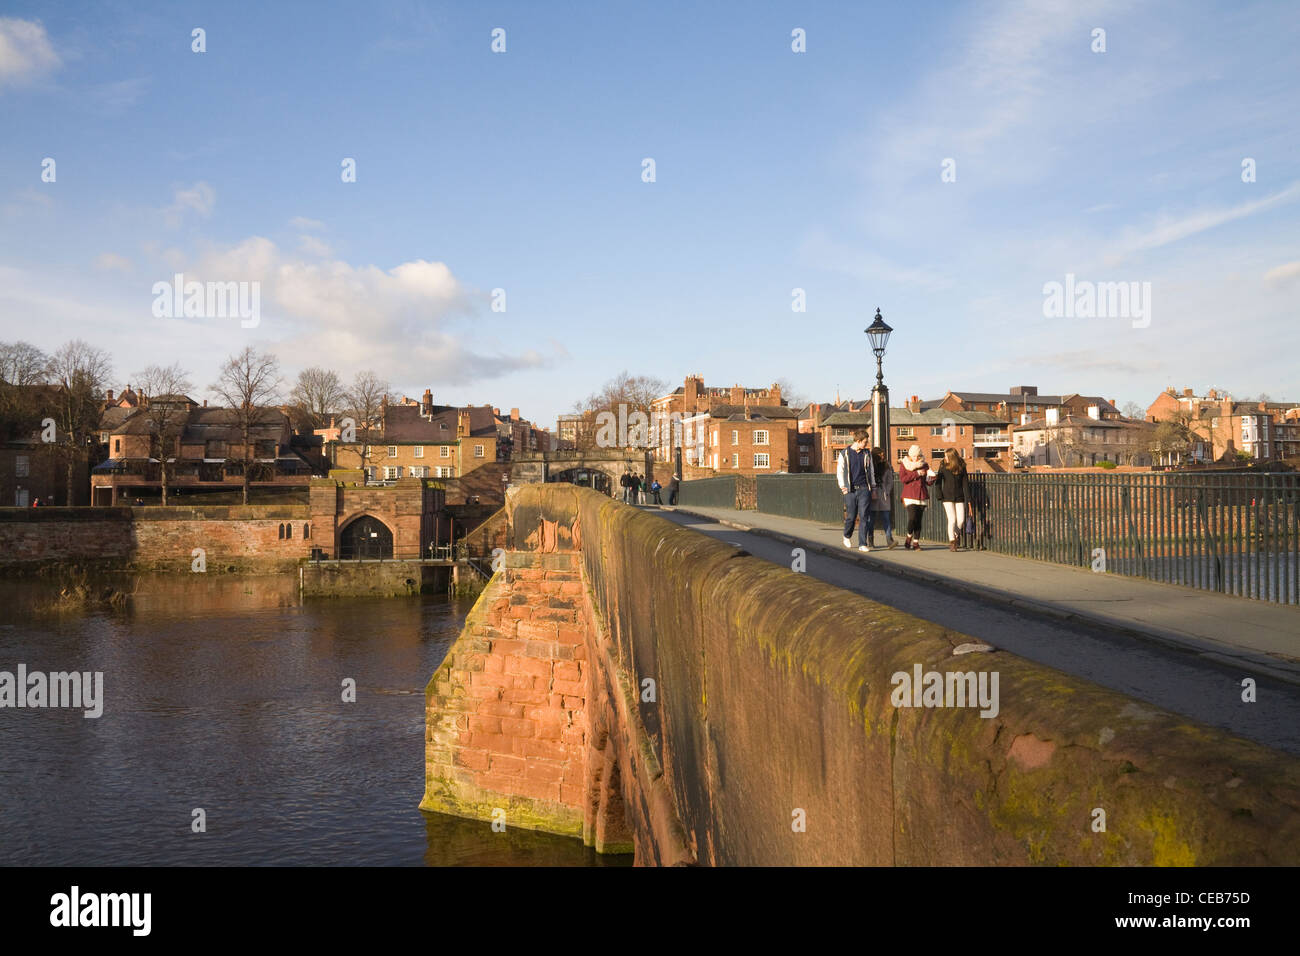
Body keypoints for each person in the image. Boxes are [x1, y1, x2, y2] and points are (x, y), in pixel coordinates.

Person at [836, 429, 876, 552]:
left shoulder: (867, 454)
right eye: (865, 442)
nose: (866, 444)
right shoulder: (845, 453)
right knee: (851, 516)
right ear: (858, 441)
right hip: (850, 490)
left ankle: (862, 544)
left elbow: (871, 471)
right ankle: (847, 535)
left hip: (864, 488)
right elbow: (840, 471)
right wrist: (843, 487)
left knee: (864, 516)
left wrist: (873, 487)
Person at [897, 444, 936, 551]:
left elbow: (928, 482)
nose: (916, 458)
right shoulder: (904, 464)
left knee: (919, 520)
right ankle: (909, 536)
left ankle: (916, 543)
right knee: (912, 518)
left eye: (918, 456)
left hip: (921, 495)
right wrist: (917, 473)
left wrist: (932, 478)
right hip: (909, 495)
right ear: (909, 455)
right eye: (914, 456)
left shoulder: (925, 465)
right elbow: (903, 479)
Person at [935, 449, 969, 552]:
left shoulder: (962, 466)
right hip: (947, 496)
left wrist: (969, 498)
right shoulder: (943, 466)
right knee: (952, 519)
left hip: (959, 496)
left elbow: (965, 483)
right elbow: (938, 482)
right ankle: (952, 542)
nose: (945, 458)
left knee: (961, 519)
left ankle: (954, 534)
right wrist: (939, 494)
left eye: (946, 456)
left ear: (952, 457)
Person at [866, 446, 898, 549]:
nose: (883, 457)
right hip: (873, 494)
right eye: (880, 455)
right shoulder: (870, 466)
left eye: (883, 455)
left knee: (886, 518)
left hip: (884, 495)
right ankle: (870, 539)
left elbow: (890, 480)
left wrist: (887, 491)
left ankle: (889, 539)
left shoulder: (886, 465)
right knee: (871, 519)